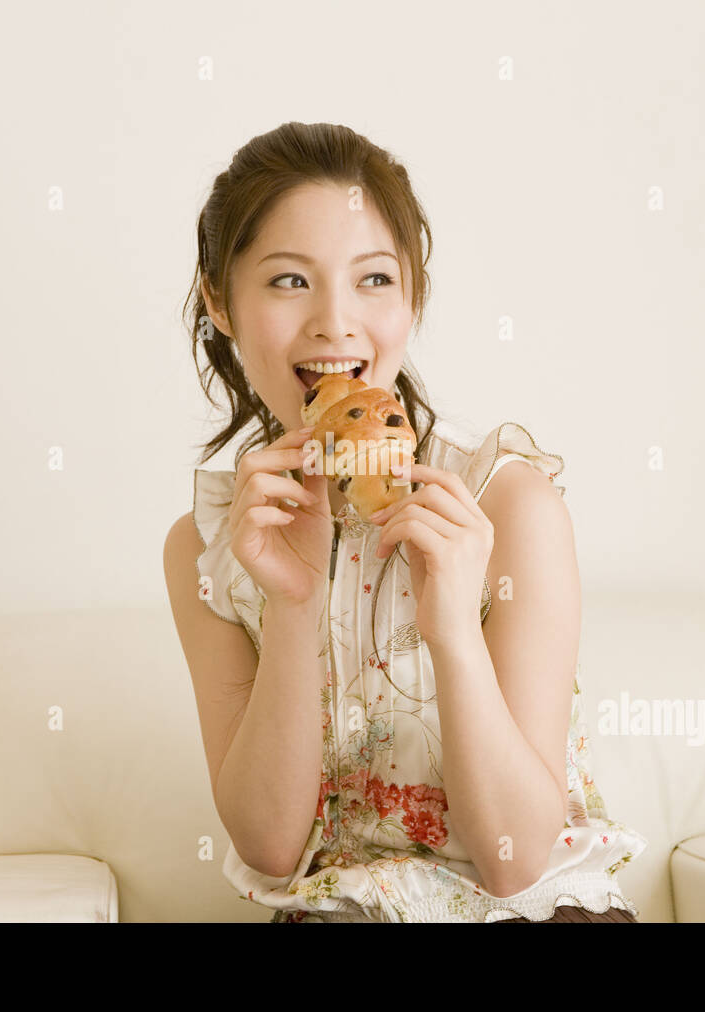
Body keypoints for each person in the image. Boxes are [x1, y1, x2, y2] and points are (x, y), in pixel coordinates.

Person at [163, 122, 646, 923]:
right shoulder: (210, 547)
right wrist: (293, 604)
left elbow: (514, 860)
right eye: (289, 280)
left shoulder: (506, 504)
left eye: (375, 279)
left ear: (413, 296)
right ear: (220, 301)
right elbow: (271, 848)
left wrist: (452, 628)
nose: (335, 321)